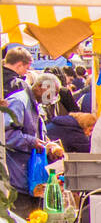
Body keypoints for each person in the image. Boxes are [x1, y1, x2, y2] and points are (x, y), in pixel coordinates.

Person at [3, 71, 63, 215]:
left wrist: (48, 147)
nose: (53, 98)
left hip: (31, 178)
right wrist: (33, 142)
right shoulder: (19, 101)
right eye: (53, 93)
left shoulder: (35, 104)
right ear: (41, 87)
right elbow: (6, 135)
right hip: (17, 179)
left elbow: (36, 134)